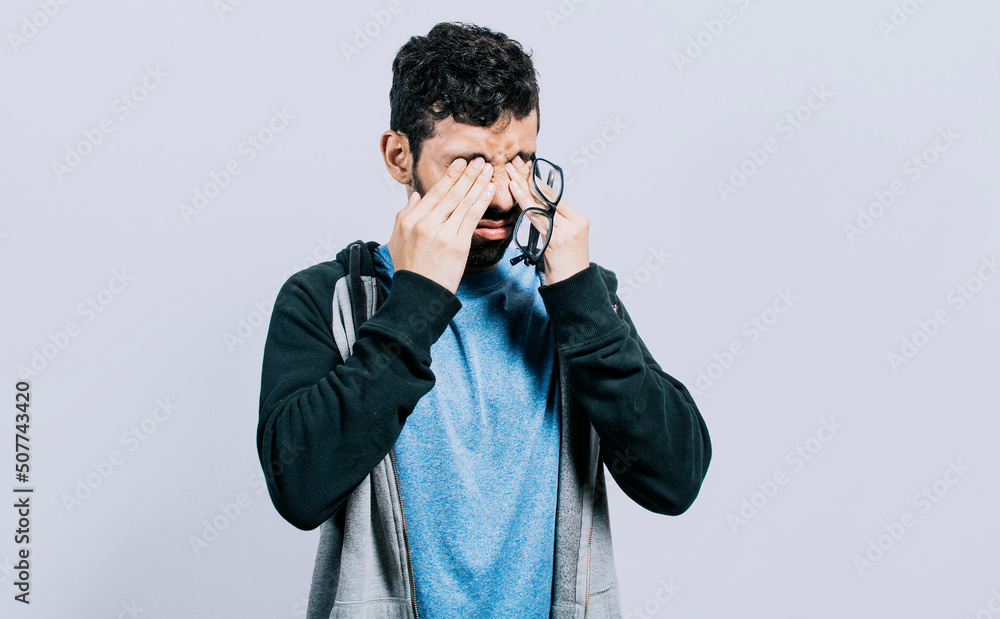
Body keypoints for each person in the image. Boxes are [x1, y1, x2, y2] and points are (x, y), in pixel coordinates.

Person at [257, 21, 711, 619]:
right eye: (468, 167)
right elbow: (300, 489)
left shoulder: (573, 299)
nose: (500, 197)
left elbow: (674, 481)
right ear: (400, 156)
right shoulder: (329, 299)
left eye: (520, 162)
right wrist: (415, 304)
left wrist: (580, 300)